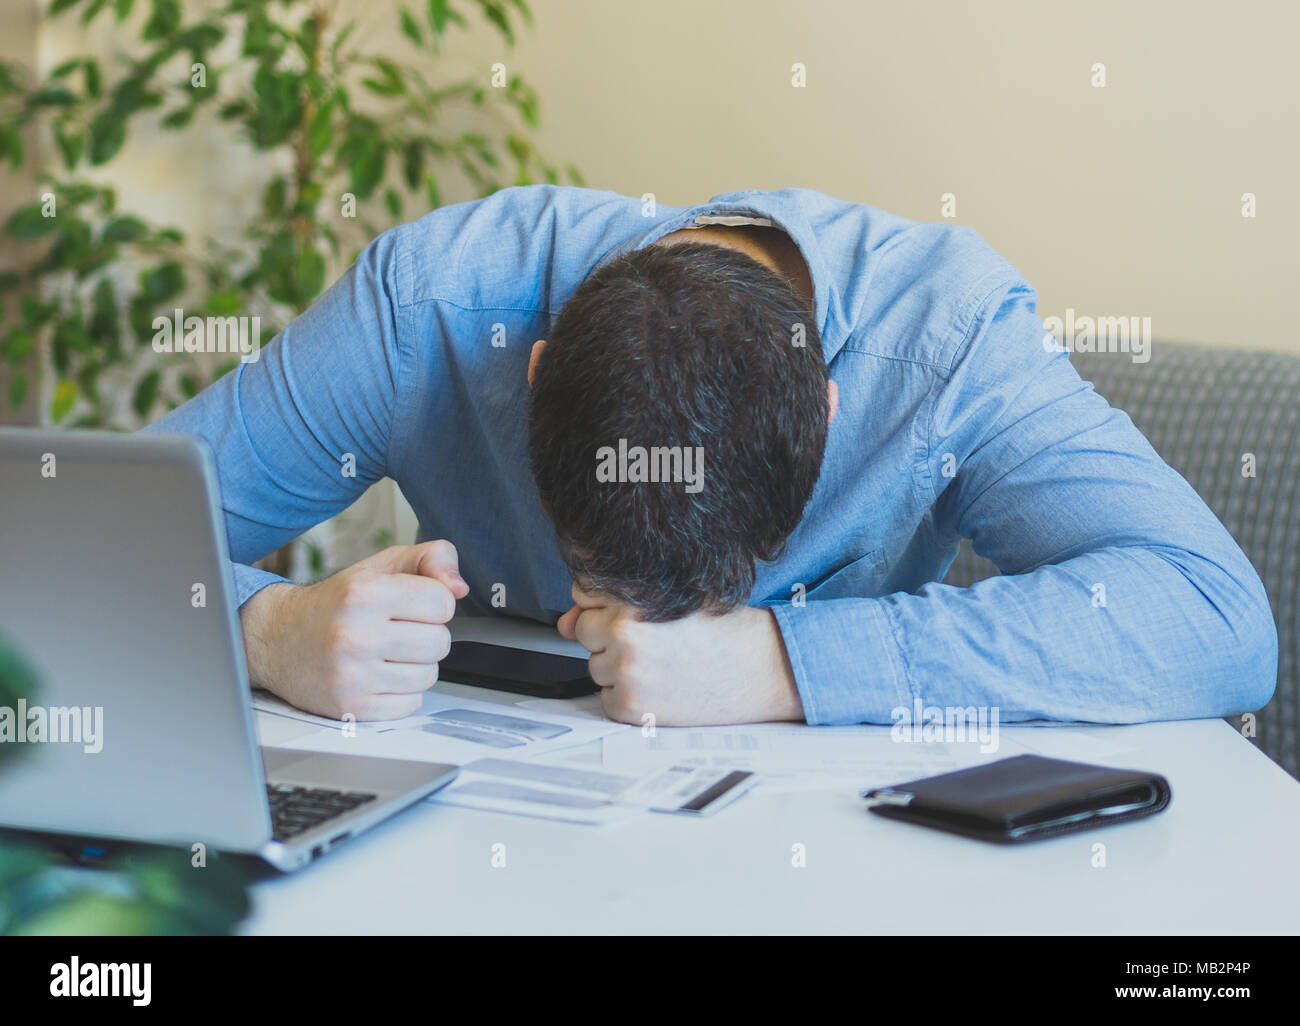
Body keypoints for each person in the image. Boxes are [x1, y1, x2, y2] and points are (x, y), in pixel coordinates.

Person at [147, 185, 1277, 726]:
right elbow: (48, 540)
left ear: (826, 415)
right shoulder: (431, 310)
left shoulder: (949, 342)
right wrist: (259, 627)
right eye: (596, 573)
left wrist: (782, 660)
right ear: (535, 377)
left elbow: (1214, 619)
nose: (629, 631)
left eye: (691, 597)